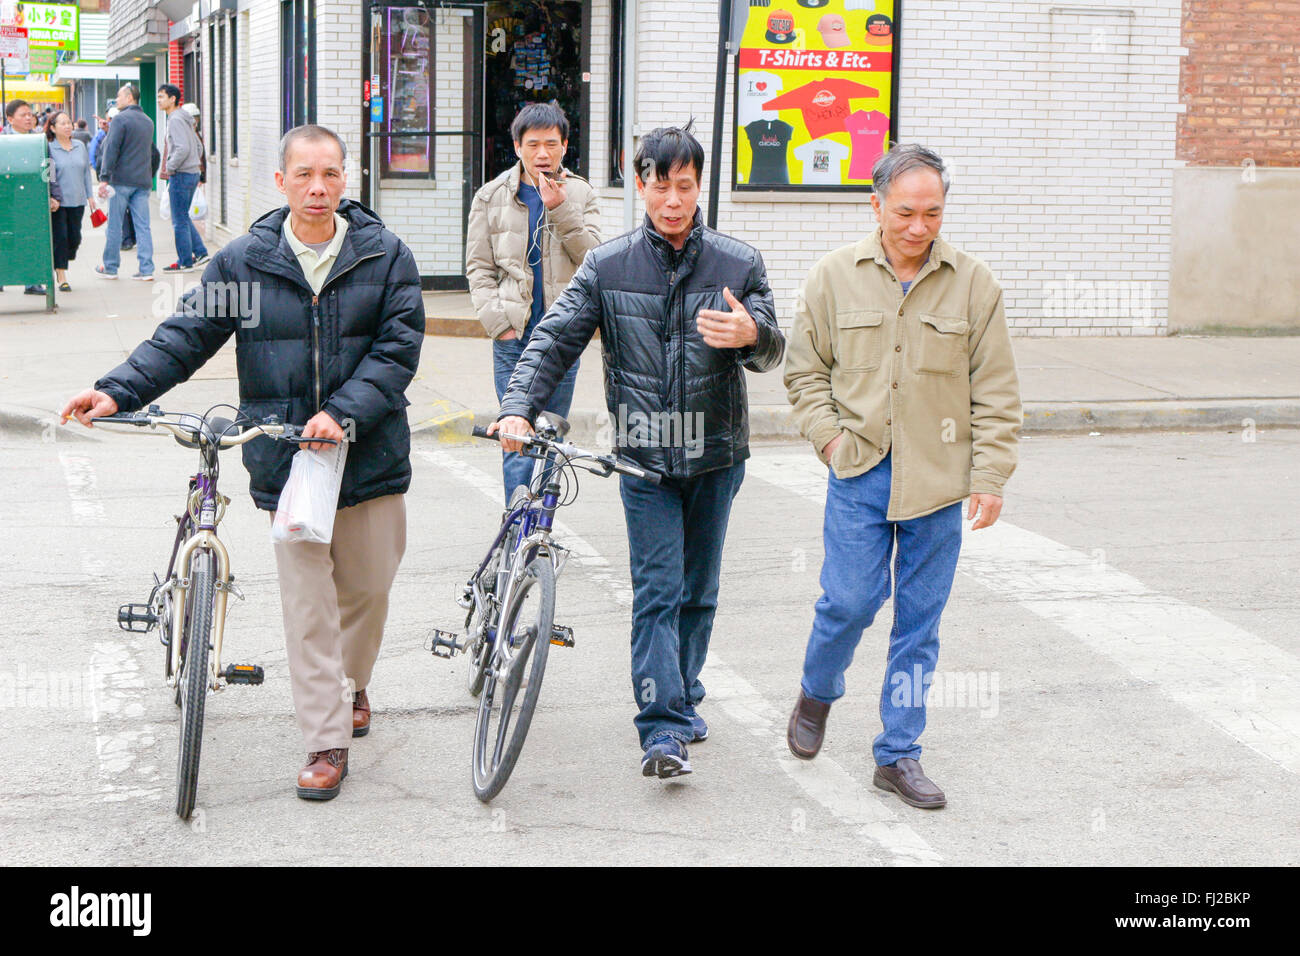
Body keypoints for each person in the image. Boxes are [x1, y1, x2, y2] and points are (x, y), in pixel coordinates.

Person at [61, 124, 426, 801]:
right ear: (282, 181)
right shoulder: (244, 263)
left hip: (369, 455)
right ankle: (325, 738)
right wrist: (117, 388)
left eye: (331, 175)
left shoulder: (386, 255)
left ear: (346, 180)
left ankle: (354, 682)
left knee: (368, 595)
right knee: (309, 603)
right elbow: (185, 335)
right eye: (304, 175)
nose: (318, 188)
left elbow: (398, 351)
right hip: (287, 460)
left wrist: (342, 413)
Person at [492, 122, 785, 779]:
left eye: (685, 186)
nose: (673, 200)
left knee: (699, 591)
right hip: (644, 460)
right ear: (641, 182)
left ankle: (680, 697)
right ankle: (662, 729)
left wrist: (751, 333)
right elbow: (554, 337)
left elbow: (772, 347)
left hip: (715, 455)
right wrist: (517, 405)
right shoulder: (609, 264)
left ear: (698, 186)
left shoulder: (736, 262)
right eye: (660, 185)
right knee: (658, 590)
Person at [783, 143, 1022, 809]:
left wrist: (990, 473)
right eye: (906, 213)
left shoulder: (975, 284)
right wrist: (830, 440)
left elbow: (996, 390)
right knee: (850, 602)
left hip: (937, 484)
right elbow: (805, 374)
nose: (919, 228)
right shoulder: (833, 277)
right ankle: (817, 693)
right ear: (877, 205)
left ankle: (899, 754)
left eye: (933, 214)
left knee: (920, 623)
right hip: (859, 471)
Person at [465, 102, 601, 500]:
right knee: (516, 433)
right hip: (513, 337)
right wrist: (498, 325)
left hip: (562, 337)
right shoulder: (490, 197)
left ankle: (541, 529)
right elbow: (478, 268)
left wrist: (560, 208)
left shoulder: (581, 193)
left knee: (551, 436)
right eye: (534, 144)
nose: (543, 154)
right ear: (517, 146)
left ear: (565, 146)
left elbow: (592, 258)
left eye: (552, 145)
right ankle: (517, 524)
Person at [94, 84, 155, 281]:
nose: (116, 100)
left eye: (119, 96)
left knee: (115, 224)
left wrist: (104, 177)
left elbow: (111, 149)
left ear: (129, 97)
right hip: (143, 181)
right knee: (143, 226)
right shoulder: (148, 121)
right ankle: (146, 269)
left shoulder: (120, 119)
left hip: (121, 181)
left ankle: (110, 267)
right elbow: (152, 152)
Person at [2, 98, 62, 296]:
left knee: (31, 239)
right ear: (10, 119)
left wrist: (54, 195)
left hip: (32, 201)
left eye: (30, 114)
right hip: (7, 201)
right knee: (6, 240)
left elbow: (50, 168)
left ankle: (32, 281)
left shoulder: (39, 141)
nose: (29, 118)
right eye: (23, 115)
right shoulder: (3, 141)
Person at [156, 84, 210, 273]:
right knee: (183, 216)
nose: (159, 100)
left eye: (162, 96)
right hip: (191, 172)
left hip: (181, 174)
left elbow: (184, 148)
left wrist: (170, 167)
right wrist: (193, 164)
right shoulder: (185, 119)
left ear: (173, 99)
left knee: (178, 220)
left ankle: (185, 261)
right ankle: (201, 252)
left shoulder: (176, 119)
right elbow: (198, 147)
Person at [45, 110, 96, 292]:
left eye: (69, 123)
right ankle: (61, 275)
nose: (68, 126)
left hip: (78, 200)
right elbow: (48, 177)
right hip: (59, 203)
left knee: (75, 238)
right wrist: (51, 197)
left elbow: (85, 174)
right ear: (53, 128)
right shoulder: (49, 148)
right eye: (63, 123)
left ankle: (61, 261)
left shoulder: (80, 146)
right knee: (61, 237)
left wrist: (90, 196)